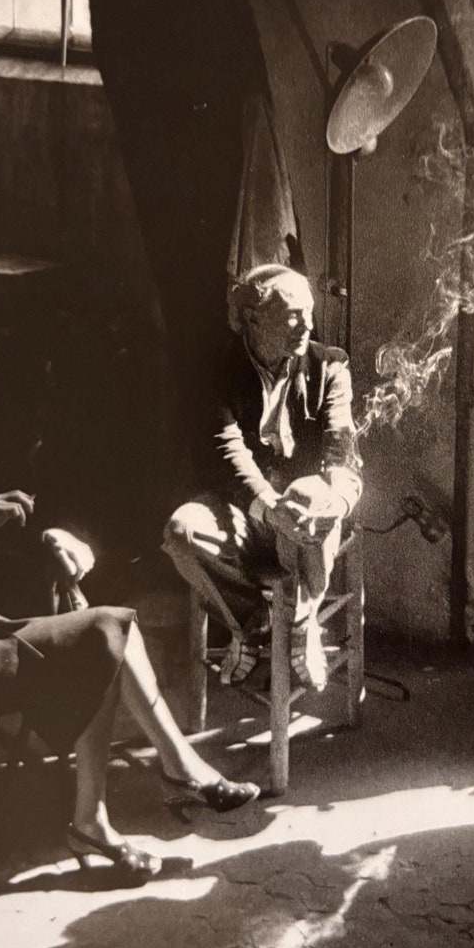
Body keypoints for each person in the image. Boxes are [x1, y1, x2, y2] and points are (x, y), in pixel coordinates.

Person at [0, 386, 259, 888]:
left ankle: (121, 802)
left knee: (107, 635)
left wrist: (18, 545)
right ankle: (157, 780)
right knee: (104, 631)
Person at [163, 265, 362, 690]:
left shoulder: (330, 367)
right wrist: (271, 509)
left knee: (306, 493)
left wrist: (337, 499)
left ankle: (302, 622)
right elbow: (226, 454)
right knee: (181, 532)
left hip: (306, 517)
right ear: (252, 319)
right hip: (242, 507)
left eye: (309, 311)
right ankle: (253, 621)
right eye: (292, 315)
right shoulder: (213, 371)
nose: (307, 324)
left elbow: (341, 453)